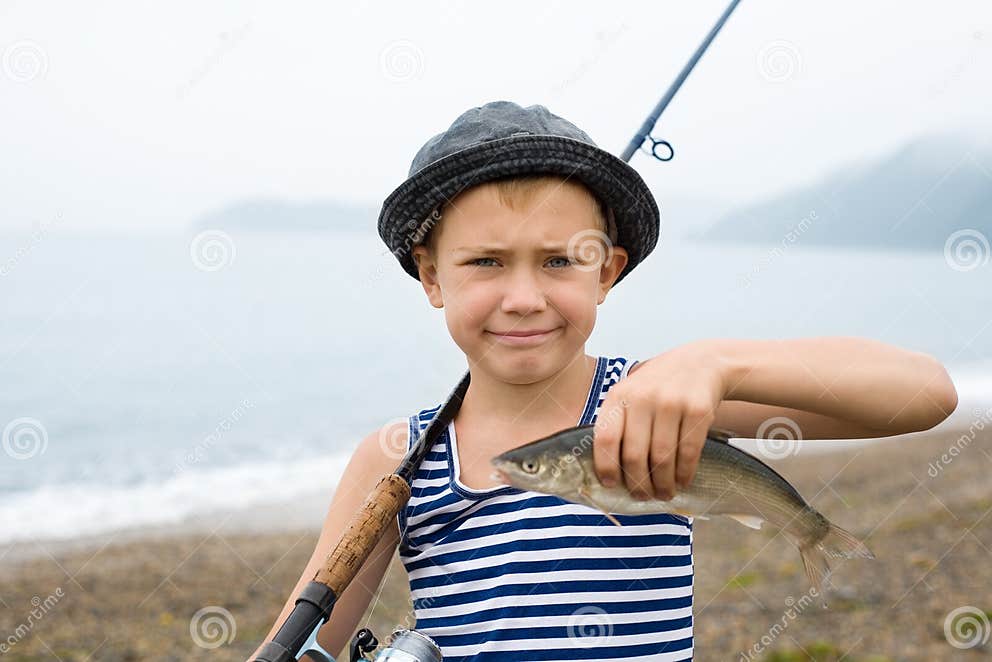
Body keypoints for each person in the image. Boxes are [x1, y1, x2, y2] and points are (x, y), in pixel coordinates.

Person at [251, 100, 958, 661]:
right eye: (485, 263)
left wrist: (717, 365)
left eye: (559, 261)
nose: (524, 296)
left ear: (607, 272)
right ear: (432, 275)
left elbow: (924, 393)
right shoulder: (397, 458)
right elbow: (299, 639)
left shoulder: (664, 401)